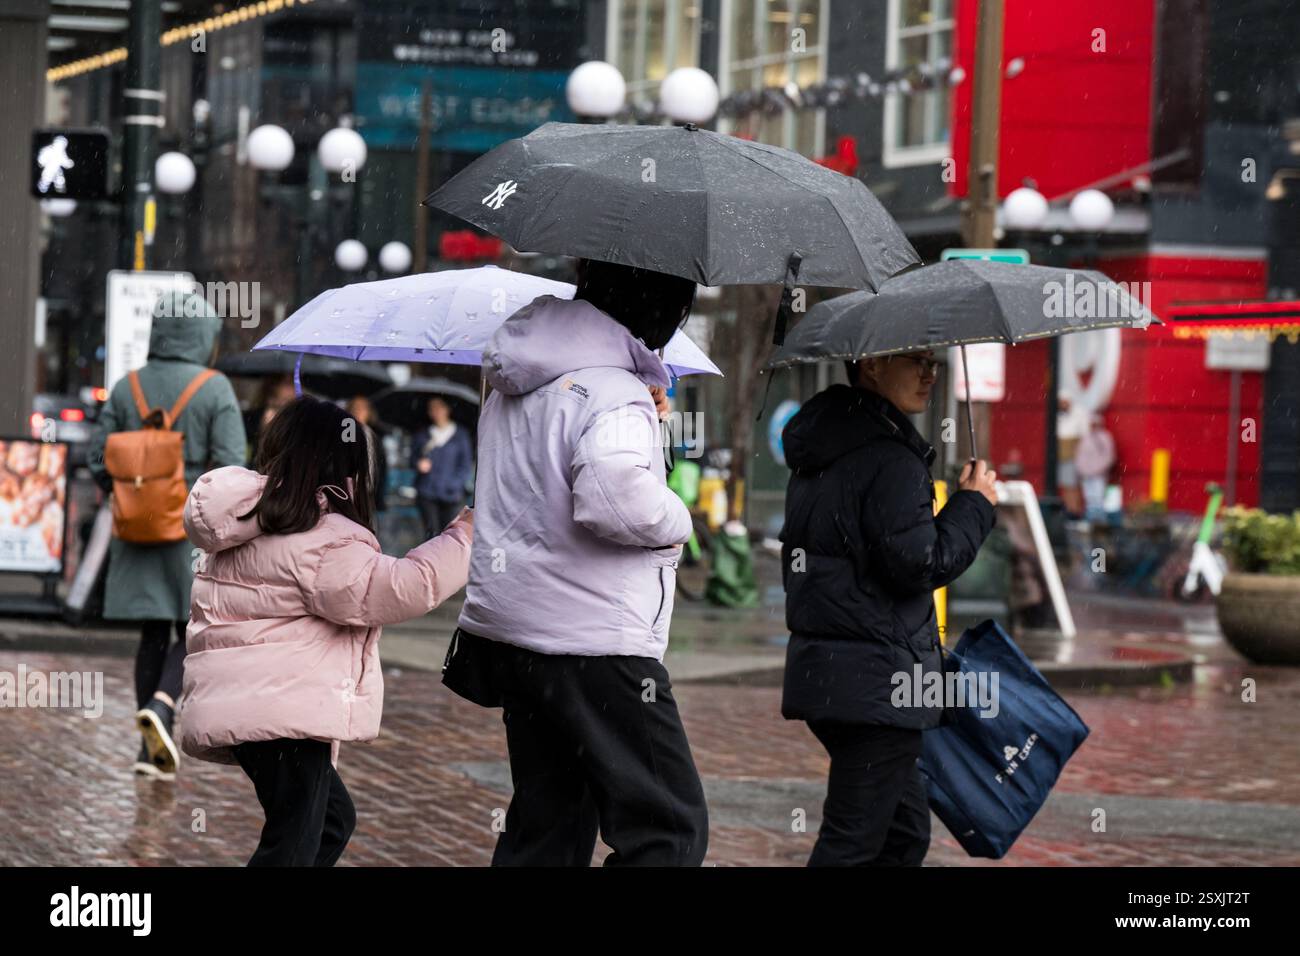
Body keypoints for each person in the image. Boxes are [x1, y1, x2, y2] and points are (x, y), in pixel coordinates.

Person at [448, 257, 708, 866]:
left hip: (518, 636)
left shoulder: (522, 382)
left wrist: (640, 422)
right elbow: (613, 501)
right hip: (595, 644)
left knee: (550, 825)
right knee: (668, 829)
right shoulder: (613, 392)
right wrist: (678, 518)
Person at [179, 396, 473, 866]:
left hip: (255, 705)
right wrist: (467, 535)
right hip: (282, 712)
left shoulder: (253, 519)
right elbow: (404, 586)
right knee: (293, 845)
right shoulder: (321, 536)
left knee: (330, 822)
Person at [779, 350, 998, 866]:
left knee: (901, 836)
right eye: (915, 361)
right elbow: (919, 563)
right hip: (877, 680)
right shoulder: (890, 458)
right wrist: (975, 505)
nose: (929, 374)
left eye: (934, 363)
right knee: (853, 843)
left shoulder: (827, 445)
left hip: (836, 673)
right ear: (872, 364)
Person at [88, 289, 246, 781]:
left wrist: (136, 492)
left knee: (152, 631)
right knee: (193, 626)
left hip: (135, 527)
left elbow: (97, 459)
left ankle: (146, 749)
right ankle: (162, 704)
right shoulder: (214, 387)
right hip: (189, 530)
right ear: (204, 336)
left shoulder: (125, 387)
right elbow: (232, 464)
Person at [411, 396, 473, 538]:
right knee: (431, 534)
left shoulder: (461, 435)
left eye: (439, 407)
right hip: (426, 492)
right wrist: (418, 464)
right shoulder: (422, 435)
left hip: (451, 494)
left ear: (447, 409)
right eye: (432, 408)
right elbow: (413, 459)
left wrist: (454, 484)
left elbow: (465, 465)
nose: (436, 411)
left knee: (449, 534)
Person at [346, 395, 389, 512]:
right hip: (347, 492)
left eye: (363, 408)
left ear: (369, 412)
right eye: (355, 407)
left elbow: (381, 467)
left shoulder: (375, 435)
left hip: (369, 491)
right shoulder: (345, 432)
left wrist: (380, 496)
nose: (358, 411)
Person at [243, 374, 295, 463]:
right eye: (288, 383)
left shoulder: (296, 416)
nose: (295, 386)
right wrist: (263, 429)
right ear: (274, 386)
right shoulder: (253, 417)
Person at [1075, 412, 1116, 522]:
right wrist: (1082, 469)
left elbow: (1108, 456)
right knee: (1089, 497)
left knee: (1099, 497)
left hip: (1098, 474)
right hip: (1086, 474)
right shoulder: (1085, 437)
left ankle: (1100, 520)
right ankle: (1091, 519)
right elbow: (1080, 455)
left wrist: (1097, 469)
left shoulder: (1105, 437)